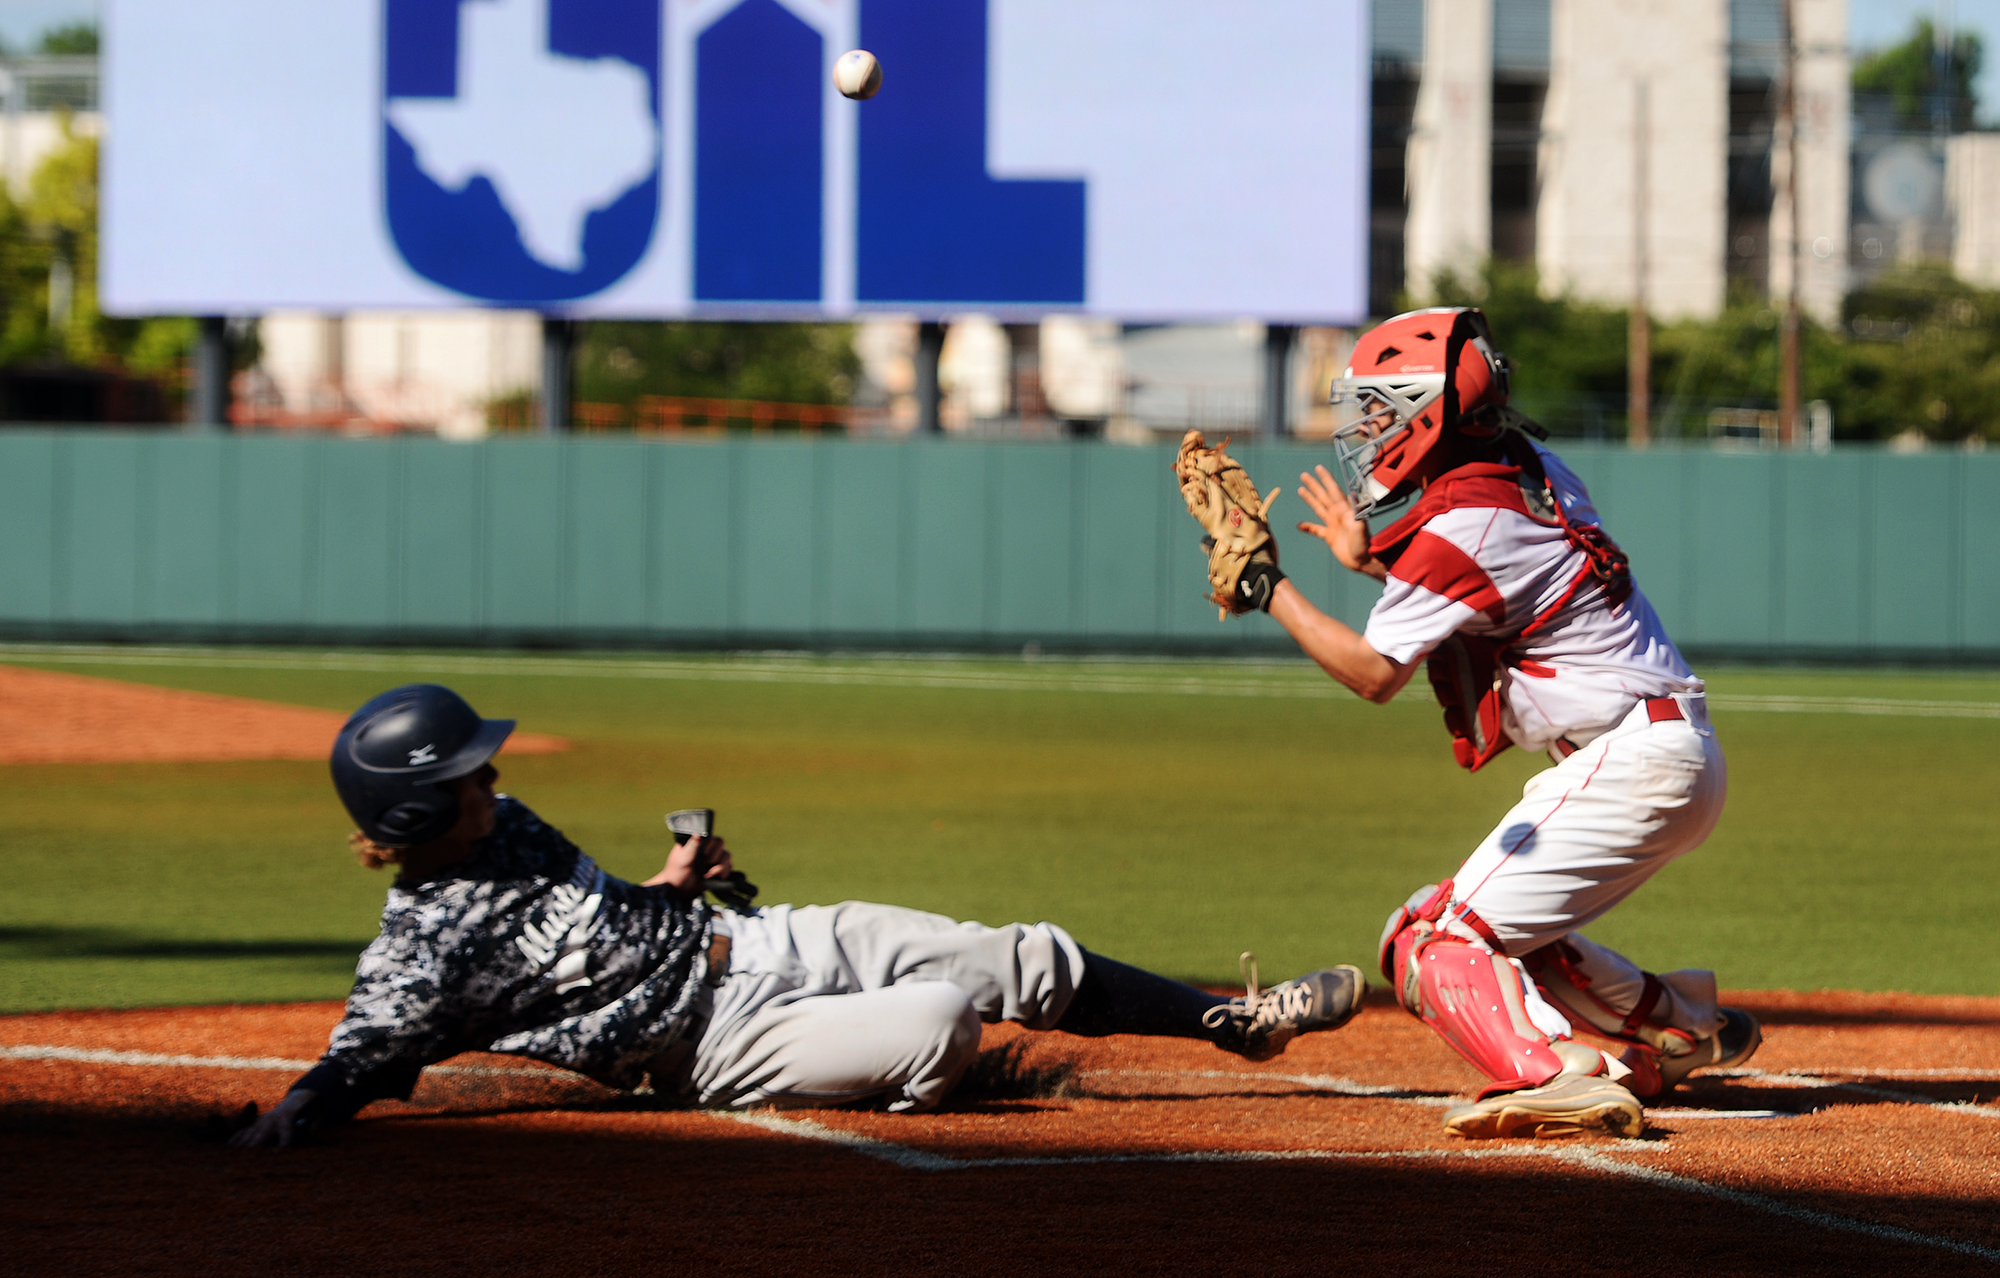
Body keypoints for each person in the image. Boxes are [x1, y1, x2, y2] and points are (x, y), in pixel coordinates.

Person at [232, 683, 1364, 1147]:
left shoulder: (508, 822)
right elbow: (355, 1063)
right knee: (939, 1020)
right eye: (469, 774)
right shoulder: (417, 954)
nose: (492, 776)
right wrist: (274, 1126)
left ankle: (1235, 1022)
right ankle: (930, 1058)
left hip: (760, 941)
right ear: (421, 807)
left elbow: (597, 918)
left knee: (1010, 955)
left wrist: (671, 879)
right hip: (714, 1045)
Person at [1224, 306, 1759, 1140]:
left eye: (1382, 405)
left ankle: (1551, 1071)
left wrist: (1270, 590)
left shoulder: (1459, 525)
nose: (1367, 424)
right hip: (1670, 749)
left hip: (1631, 760)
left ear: (1429, 410)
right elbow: (1490, 576)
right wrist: (1371, 560)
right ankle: (1673, 1025)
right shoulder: (1527, 462)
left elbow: (1374, 673)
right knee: (1503, 933)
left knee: (1427, 938)